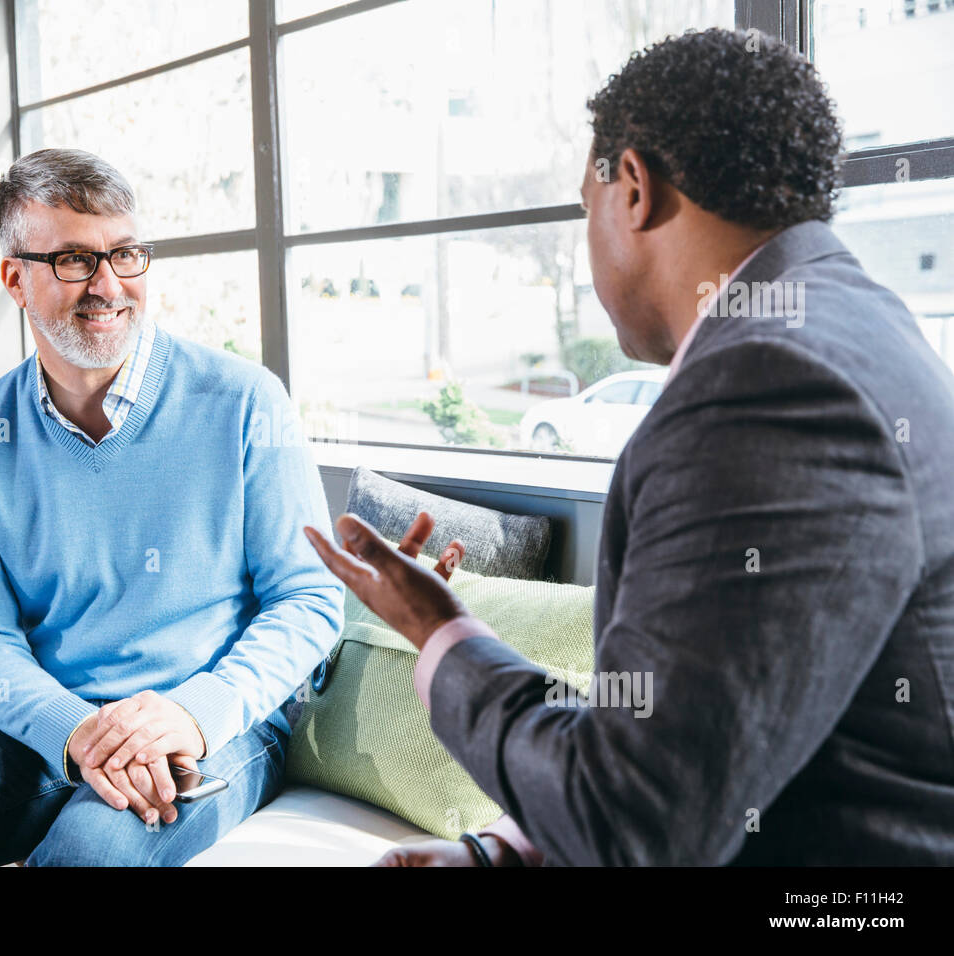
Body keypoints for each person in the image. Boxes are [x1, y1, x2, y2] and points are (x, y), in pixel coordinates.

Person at [305, 27, 954, 866]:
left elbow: (640, 821)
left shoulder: (766, 383)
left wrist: (437, 633)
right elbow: (712, 723)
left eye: (586, 208)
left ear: (634, 187)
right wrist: (505, 852)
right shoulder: (850, 322)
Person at [0, 148, 344, 866]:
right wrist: (77, 731)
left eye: (126, 254)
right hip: (48, 719)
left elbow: (309, 600)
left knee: (89, 854)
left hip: (216, 721)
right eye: (74, 260)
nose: (109, 285)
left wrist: (193, 714)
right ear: (16, 278)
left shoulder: (245, 402)